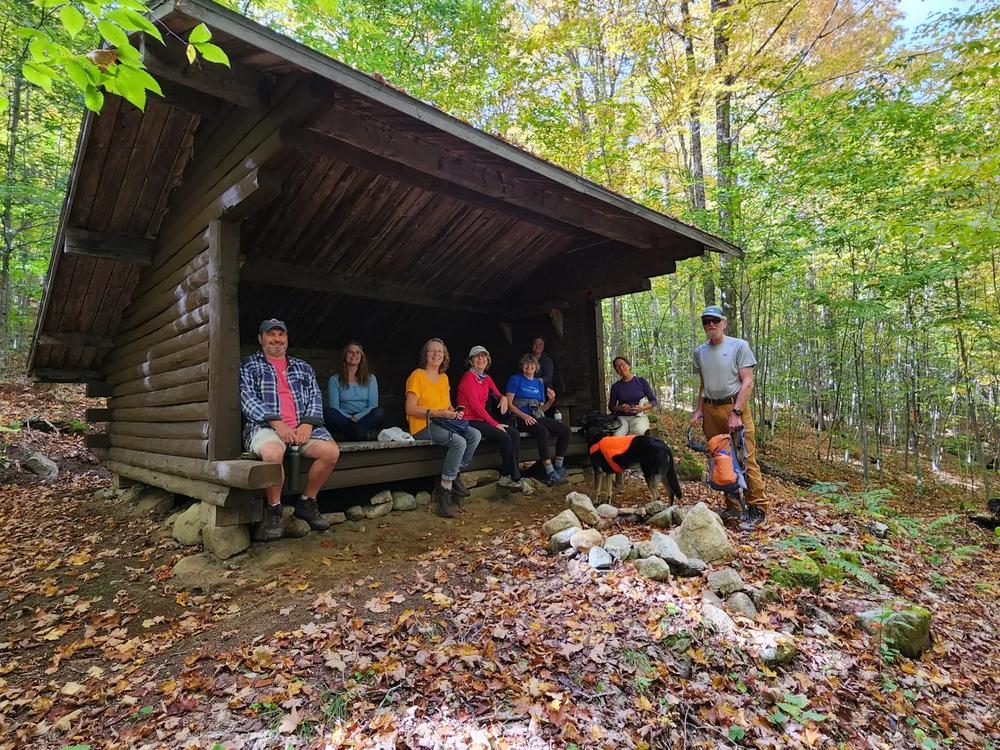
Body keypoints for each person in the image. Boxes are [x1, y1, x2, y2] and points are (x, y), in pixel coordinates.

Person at [240, 319, 340, 542]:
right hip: (265, 426)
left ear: (286, 338)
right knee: (274, 453)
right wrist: (277, 423)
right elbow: (247, 399)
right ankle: (274, 509)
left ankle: (307, 502)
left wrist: (307, 424)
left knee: (331, 452)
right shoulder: (249, 365)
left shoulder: (303, 367)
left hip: (302, 427)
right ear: (260, 339)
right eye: (270, 334)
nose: (276, 339)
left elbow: (315, 397)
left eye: (281, 335)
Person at [690, 305, 766, 527]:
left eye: (714, 320)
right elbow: (703, 383)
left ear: (724, 322)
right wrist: (699, 409)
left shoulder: (738, 346)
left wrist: (737, 412)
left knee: (745, 457)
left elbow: (747, 381)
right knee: (720, 457)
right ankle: (732, 506)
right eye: (706, 321)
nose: (710, 324)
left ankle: (757, 509)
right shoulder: (700, 352)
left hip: (734, 408)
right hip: (711, 410)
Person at [405, 338, 483, 518]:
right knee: (458, 443)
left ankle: (454, 474)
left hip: (444, 421)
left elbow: (447, 406)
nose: (436, 354)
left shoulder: (443, 377)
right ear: (425, 354)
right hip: (423, 425)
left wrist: (454, 413)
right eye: (432, 350)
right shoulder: (417, 376)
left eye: (440, 351)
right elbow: (410, 408)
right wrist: (440, 413)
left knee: (475, 435)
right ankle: (444, 493)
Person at [456, 345, 523, 491]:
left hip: (480, 419)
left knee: (514, 433)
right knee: (504, 436)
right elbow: (475, 407)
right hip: (468, 419)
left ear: (488, 360)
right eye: (477, 356)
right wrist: (495, 424)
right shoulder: (468, 378)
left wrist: (504, 398)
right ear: (471, 361)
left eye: (484, 356)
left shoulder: (486, 378)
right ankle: (515, 476)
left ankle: (506, 476)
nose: (481, 359)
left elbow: (498, 393)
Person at [506, 354, 570, 486]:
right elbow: (510, 404)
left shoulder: (538, 384)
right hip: (520, 417)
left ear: (536, 367)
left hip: (536, 417)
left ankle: (558, 467)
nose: (530, 366)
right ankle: (549, 471)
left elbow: (541, 409)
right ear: (522, 367)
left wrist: (551, 401)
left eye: (532, 364)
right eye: (526, 364)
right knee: (542, 431)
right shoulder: (515, 379)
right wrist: (524, 416)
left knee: (565, 430)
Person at [324, 341, 385, 441]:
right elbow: (334, 407)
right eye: (350, 352)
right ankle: (362, 434)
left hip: (365, 417)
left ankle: (349, 435)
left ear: (361, 357)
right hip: (344, 418)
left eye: (357, 352)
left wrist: (357, 417)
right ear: (345, 355)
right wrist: (349, 418)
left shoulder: (371, 378)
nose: (354, 355)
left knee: (379, 412)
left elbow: (373, 406)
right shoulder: (334, 380)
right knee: (329, 413)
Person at [608, 356, 657, 436]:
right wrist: (620, 407)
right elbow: (611, 406)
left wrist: (642, 408)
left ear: (629, 365)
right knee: (617, 435)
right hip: (622, 418)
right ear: (617, 371)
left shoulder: (641, 381)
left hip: (639, 417)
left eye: (623, 364)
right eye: (618, 367)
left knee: (638, 432)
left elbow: (654, 401)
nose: (621, 368)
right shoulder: (616, 387)